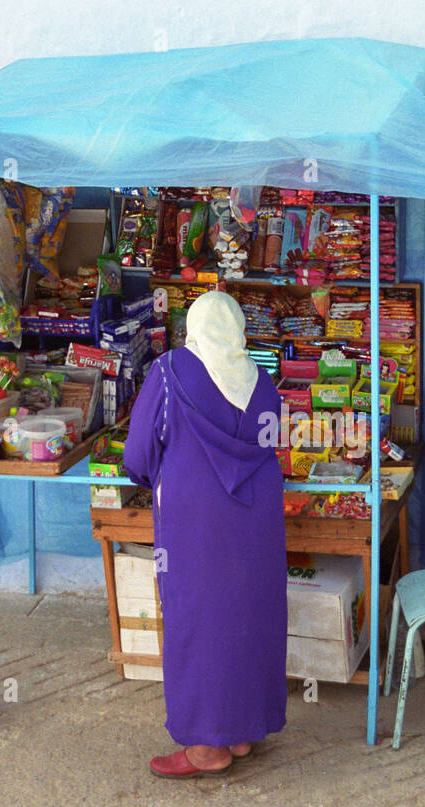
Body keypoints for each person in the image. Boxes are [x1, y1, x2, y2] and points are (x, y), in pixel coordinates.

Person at [122, 290, 288, 777]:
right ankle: (238, 734)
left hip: (194, 523)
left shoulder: (170, 373)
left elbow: (137, 455)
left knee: (197, 623)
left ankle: (204, 749)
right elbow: (267, 442)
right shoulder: (263, 383)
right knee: (248, 618)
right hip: (256, 520)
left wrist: (159, 473)